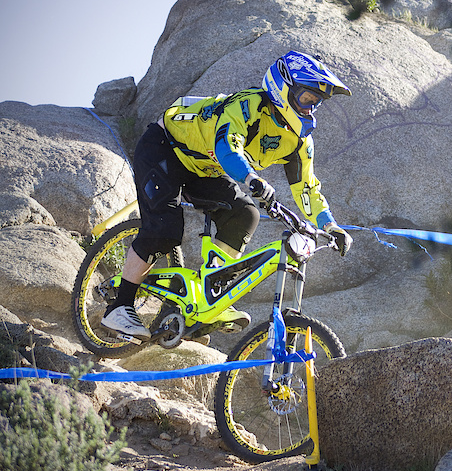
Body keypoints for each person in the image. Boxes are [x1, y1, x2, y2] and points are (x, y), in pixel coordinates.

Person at [101, 50, 353, 339]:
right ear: (284, 89)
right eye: (307, 99)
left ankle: (211, 294)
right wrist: (251, 178)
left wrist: (330, 226)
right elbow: (227, 147)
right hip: (166, 147)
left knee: (244, 215)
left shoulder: (299, 141)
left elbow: (306, 188)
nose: (311, 109)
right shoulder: (248, 105)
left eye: (316, 103)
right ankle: (118, 308)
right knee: (164, 229)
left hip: (204, 170)